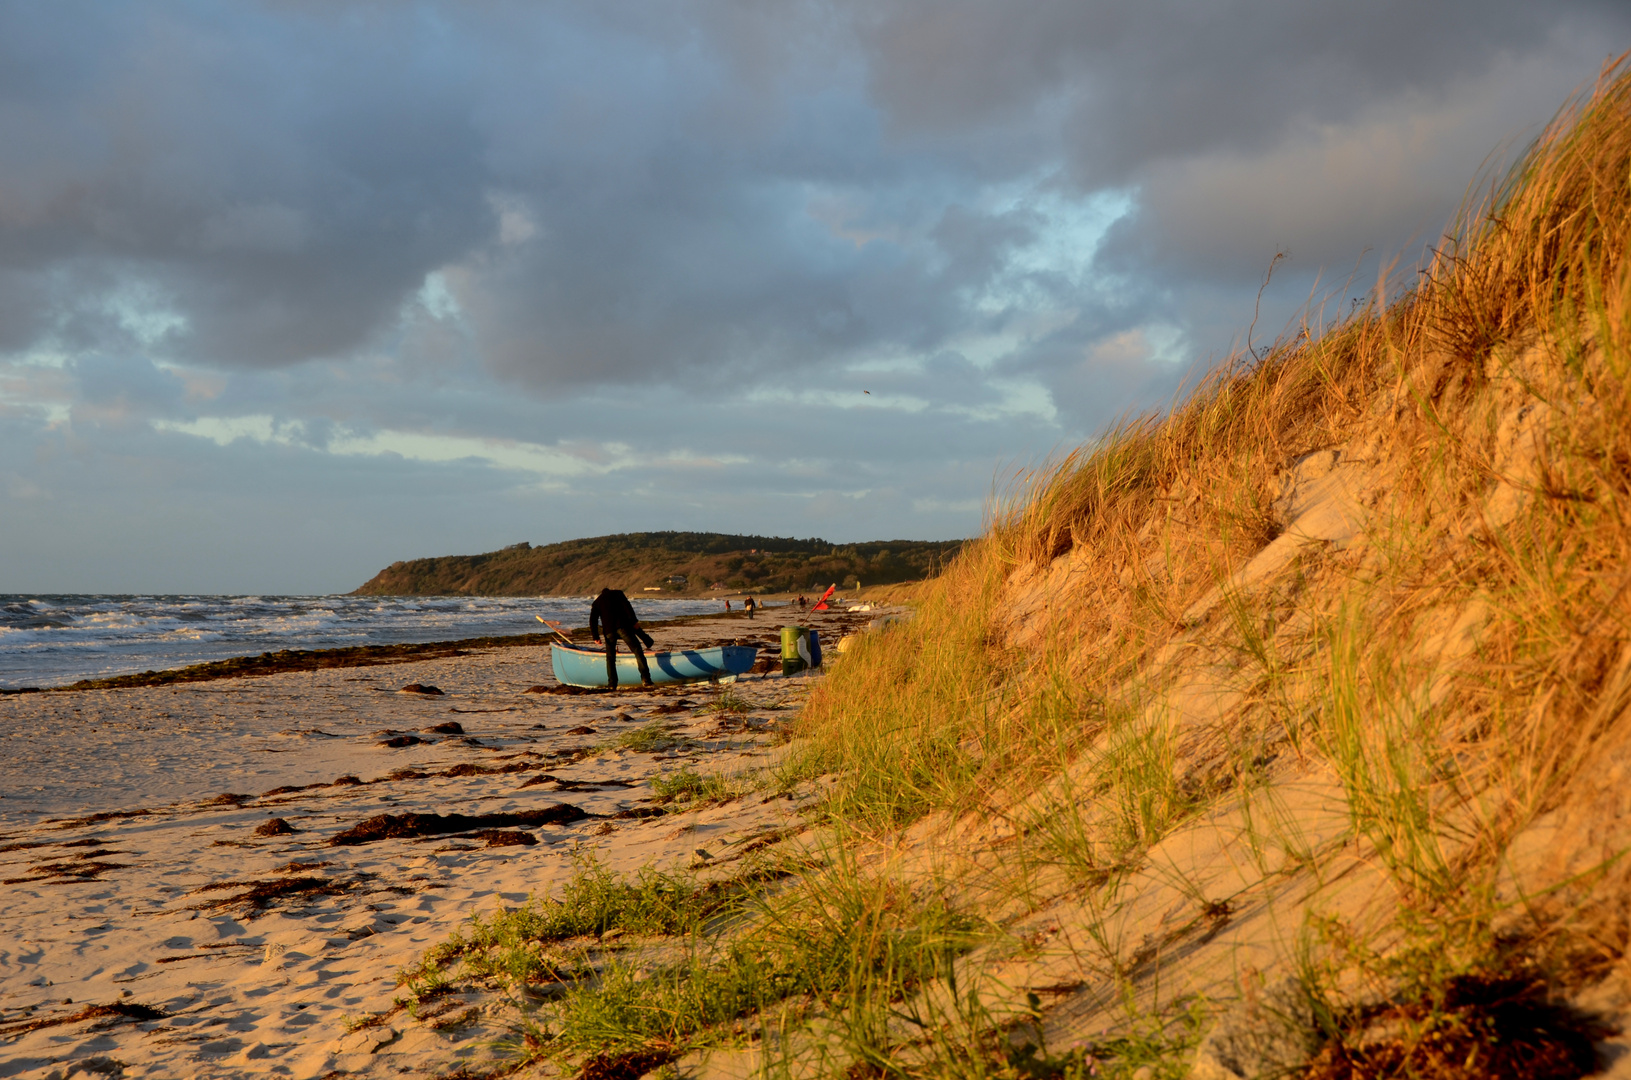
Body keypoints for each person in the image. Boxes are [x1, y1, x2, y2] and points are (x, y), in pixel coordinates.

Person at [589, 587, 654, 689]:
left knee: (610, 658)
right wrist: (634, 621)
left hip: (609, 631)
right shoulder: (618, 594)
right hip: (623, 627)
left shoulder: (597, 602)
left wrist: (595, 636)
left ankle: (612, 684)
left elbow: (593, 620)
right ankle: (646, 679)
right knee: (637, 650)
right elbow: (628, 607)